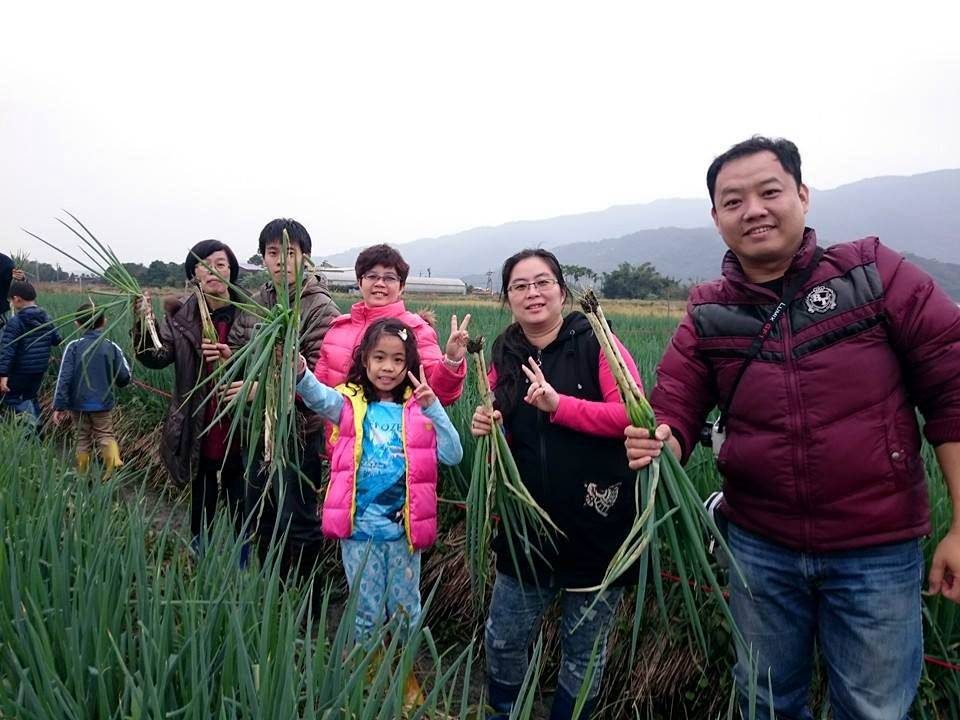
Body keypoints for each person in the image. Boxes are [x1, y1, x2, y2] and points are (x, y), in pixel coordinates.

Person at [624, 136, 960, 719]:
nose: (753, 210)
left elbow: (951, 387)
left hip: (876, 549)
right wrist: (661, 441)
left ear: (802, 195)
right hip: (760, 547)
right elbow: (675, 405)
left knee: (875, 709)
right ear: (716, 218)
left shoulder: (871, 275)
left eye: (769, 192)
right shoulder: (708, 311)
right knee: (765, 700)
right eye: (733, 201)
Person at [470, 249, 643, 720]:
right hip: (525, 527)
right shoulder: (503, 354)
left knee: (583, 649)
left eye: (542, 282)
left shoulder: (597, 342)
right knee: (503, 638)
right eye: (520, 286)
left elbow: (633, 414)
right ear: (508, 298)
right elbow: (501, 423)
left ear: (562, 292)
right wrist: (489, 427)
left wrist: (559, 405)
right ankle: (505, 711)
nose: (533, 293)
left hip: (597, 523)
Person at [296, 319, 461, 675]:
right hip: (359, 534)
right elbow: (317, 396)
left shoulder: (417, 411)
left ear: (409, 364)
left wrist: (434, 407)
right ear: (365, 360)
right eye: (379, 358)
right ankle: (366, 678)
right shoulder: (349, 404)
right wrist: (299, 372)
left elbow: (452, 453)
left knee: (406, 610)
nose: (388, 368)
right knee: (366, 609)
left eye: (398, 360)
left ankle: (403, 674)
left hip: (404, 535)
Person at [222, 218, 340, 584]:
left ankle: (304, 601)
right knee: (261, 513)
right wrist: (232, 364)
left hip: (298, 434)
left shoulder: (320, 308)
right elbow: (238, 352)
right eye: (273, 253)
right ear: (263, 258)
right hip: (256, 430)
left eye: (290, 253)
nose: (281, 261)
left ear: (305, 257)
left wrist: (260, 388)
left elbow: (320, 375)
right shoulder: (255, 304)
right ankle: (268, 591)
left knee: (298, 519)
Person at [133, 240, 245, 554]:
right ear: (194, 274)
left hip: (241, 426)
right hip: (200, 423)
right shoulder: (182, 318)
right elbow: (156, 356)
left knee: (241, 499)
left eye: (220, 264)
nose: (213, 271)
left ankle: (243, 563)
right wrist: (143, 324)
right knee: (203, 495)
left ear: (231, 271)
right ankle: (201, 556)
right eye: (204, 265)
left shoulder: (250, 315)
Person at [314, 243, 469, 406]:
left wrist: (452, 361)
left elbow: (438, 395)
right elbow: (318, 392)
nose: (380, 283)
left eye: (389, 278)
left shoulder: (416, 330)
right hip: (338, 422)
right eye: (372, 276)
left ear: (401, 287)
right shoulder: (338, 328)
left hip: (396, 422)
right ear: (360, 282)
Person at [53, 303, 131, 475]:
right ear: (104, 321)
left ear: (77, 324)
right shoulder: (111, 346)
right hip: (102, 403)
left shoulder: (73, 346)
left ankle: (83, 475)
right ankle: (111, 473)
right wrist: (121, 383)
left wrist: (59, 406)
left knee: (81, 438)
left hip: (77, 404)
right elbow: (124, 376)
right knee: (105, 435)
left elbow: (63, 378)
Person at [0, 281, 62, 428]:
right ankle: (38, 430)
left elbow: (7, 350)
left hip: (20, 371)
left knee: (14, 399)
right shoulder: (46, 318)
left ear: (17, 299)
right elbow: (57, 340)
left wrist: (3, 374)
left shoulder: (16, 322)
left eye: (11, 300)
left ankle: (30, 431)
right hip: (39, 369)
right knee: (30, 397)